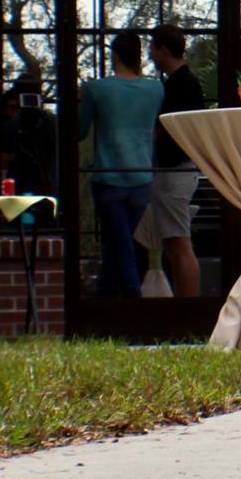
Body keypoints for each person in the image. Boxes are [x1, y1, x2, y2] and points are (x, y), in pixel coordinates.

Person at [78, 32, 163, 298]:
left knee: (121, 244)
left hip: (109, 177)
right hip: (142, 178)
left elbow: (79, 131)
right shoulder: (156, 89)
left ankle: (133, 301)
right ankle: (104, 297)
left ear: (114, 55)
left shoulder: (97, 89)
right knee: (118, 243)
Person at [142, 23, 205, 297]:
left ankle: (188, 304)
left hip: (176, 171)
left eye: (153, 48)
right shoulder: (182, 83)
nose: (150, 54)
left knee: (179, 243)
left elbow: (170, 130)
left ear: (164, 50)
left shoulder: (180, 84)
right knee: (173, 243)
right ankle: (183, 301)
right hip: (177, 171)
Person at [0, 76, 60, 197]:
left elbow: (4, 162)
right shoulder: (54, 122)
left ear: (18, 97)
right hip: (50, 186)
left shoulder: (13, 125)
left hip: (21, 189)